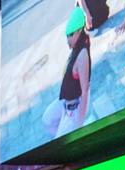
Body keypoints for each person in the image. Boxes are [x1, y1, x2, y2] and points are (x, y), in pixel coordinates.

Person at [43, 7, 91, 139]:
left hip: (74, 109)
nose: (67, 40)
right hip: (64, 102)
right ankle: (66, 129)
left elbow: (85, 91)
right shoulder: (78, 45)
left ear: (79, 31)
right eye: (67, 35)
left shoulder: (82, 56)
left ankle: (73, 130)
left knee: (61, 141)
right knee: (47, 120)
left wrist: (80, 122)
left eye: (70, 35)